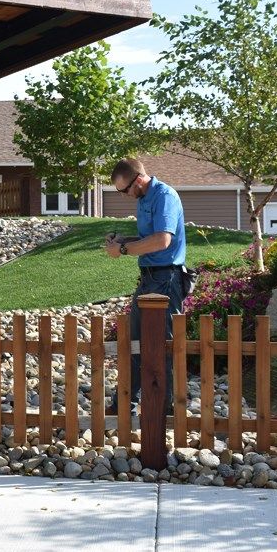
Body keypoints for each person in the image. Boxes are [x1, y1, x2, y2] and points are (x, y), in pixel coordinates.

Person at [105, 158, 187, 416]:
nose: (124, 195)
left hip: (167, 279)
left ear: (138, 180)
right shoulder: (144, 199)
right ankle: (123, 406)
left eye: (124, 190)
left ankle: (165, 410)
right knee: (136, 343)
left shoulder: (165, 196)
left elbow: (162, 240)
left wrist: (124, 249)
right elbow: (147, 239)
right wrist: (122, 240)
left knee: (162, 346)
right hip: (150, 277)